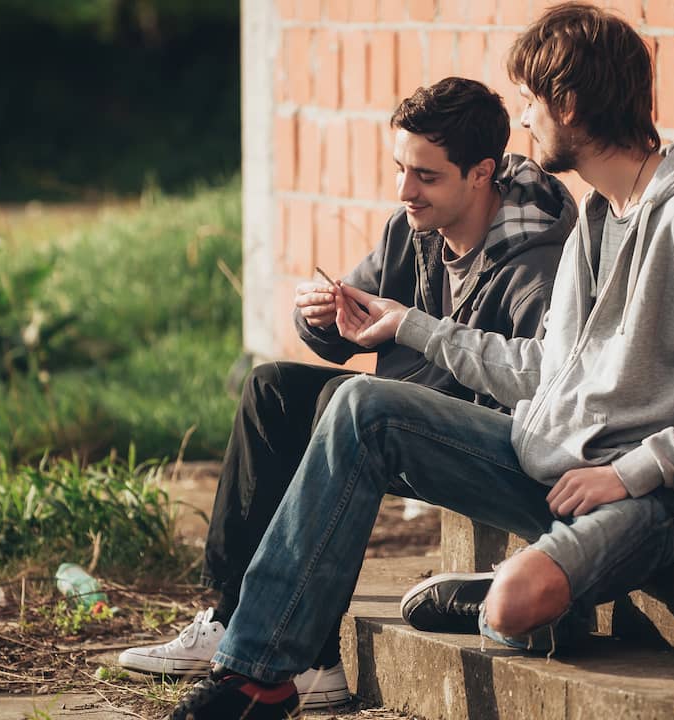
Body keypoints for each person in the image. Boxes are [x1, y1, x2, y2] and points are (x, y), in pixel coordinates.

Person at [166, 3, 674, 717]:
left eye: (531, 102)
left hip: (666, 498)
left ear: (567, 104)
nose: (525, 122)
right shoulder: (600, 214)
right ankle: (260, 675)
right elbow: (544, 368)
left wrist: (632, 470)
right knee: (361, 407)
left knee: (512, 606)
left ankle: (514, 596)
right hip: (559, 460)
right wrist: (412, 326)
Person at [118, 76, 576, 710]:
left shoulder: (537, 264)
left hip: (482, 447)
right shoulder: (409, 230)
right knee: (272, 388)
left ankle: (285, 660)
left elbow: (539, 386)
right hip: (391, 419)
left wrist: (412, 330)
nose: (404, 190)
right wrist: (323, 318)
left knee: (352, 404)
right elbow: (351, 329)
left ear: (481, 173)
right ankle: (241, 622)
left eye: (426, 175)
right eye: (399, 168)